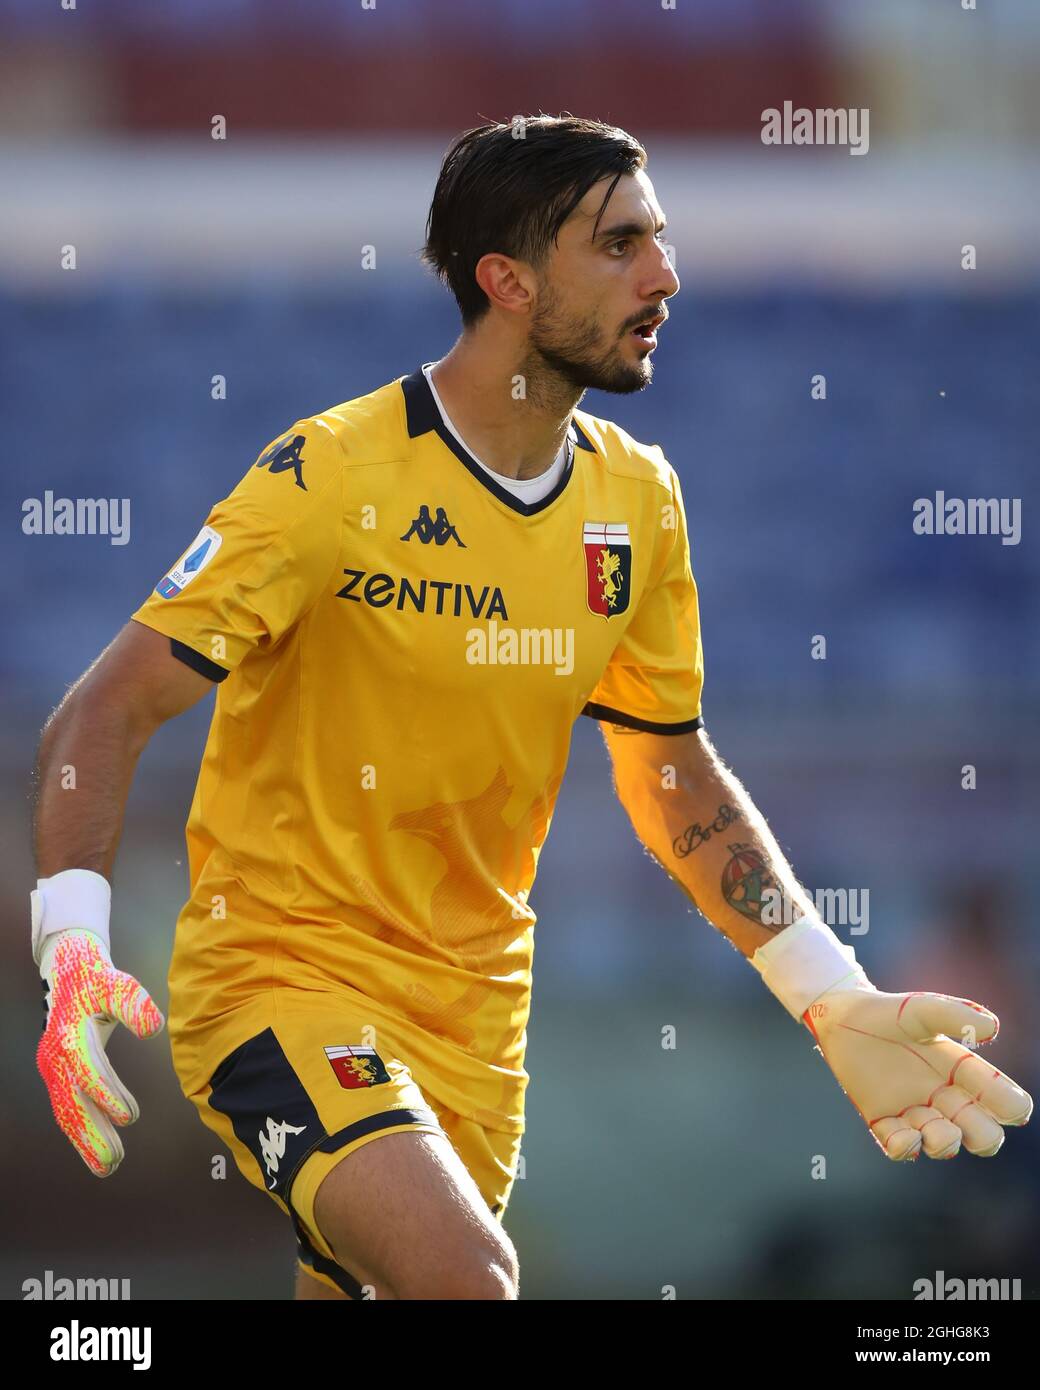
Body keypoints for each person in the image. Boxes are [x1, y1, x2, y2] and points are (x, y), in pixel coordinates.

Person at [30, 115, 1032, 1302]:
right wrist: (72, 945)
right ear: (504, 281)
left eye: (657, 239)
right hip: (281, 982)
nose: (663, 275)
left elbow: (670, 775)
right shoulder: (327, 476)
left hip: (474, 1029)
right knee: (468, 1278)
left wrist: (830, 993)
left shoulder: (636, 499)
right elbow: (100, 714)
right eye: (618, 246)